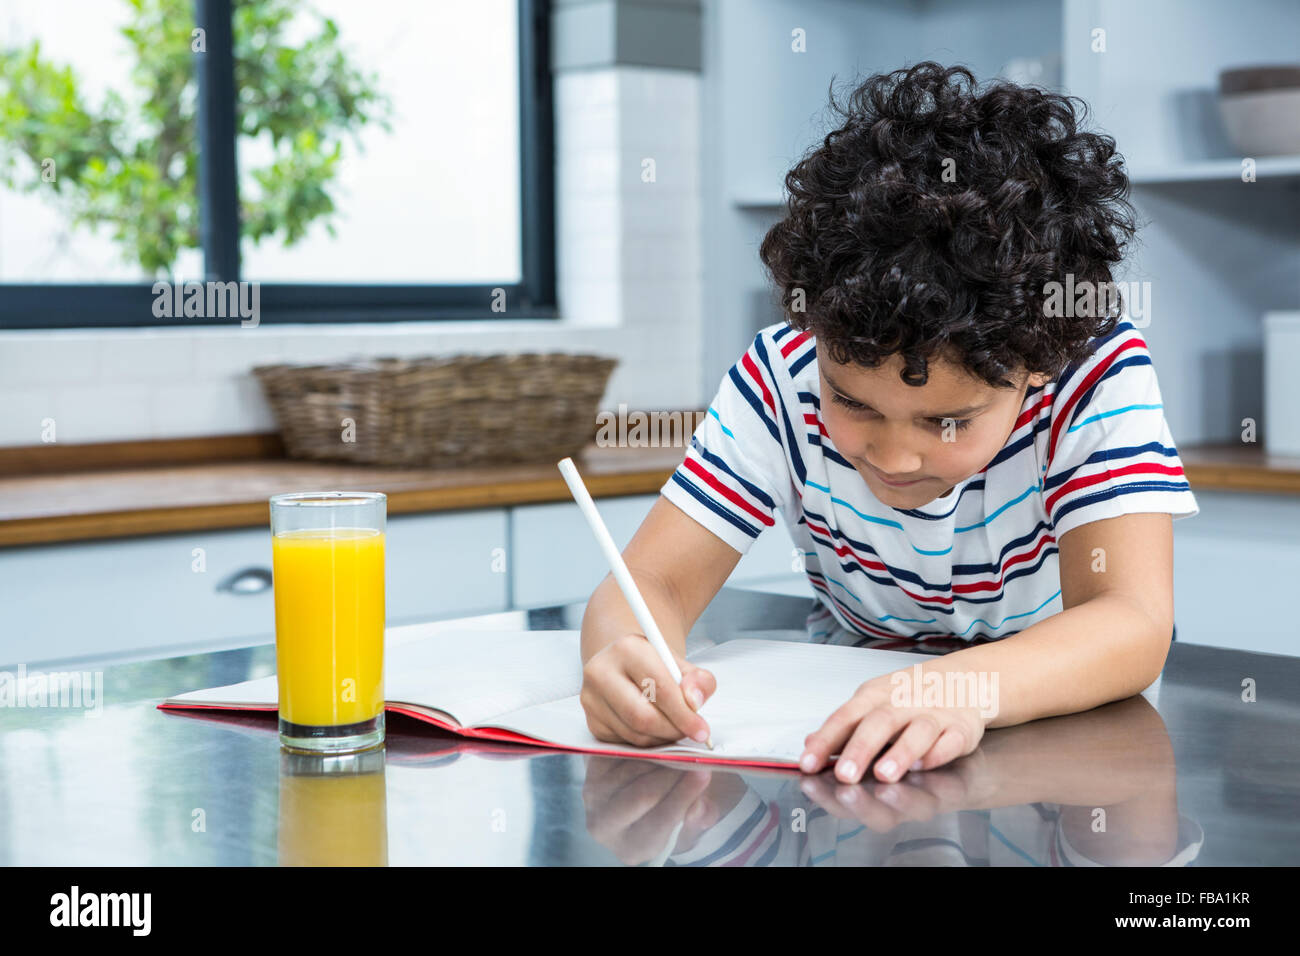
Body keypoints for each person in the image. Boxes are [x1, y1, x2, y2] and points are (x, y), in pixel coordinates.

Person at [578, 62, 1198, 784]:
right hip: (856, 741)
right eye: (854, 404)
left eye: (947, 420)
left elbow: (1132, 621)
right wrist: (625, 654)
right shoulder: (781, 376)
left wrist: (955, 689)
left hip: (1069, 740)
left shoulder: (1093, 373)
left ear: (1038, 367)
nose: (896, 458)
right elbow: (653, 579)